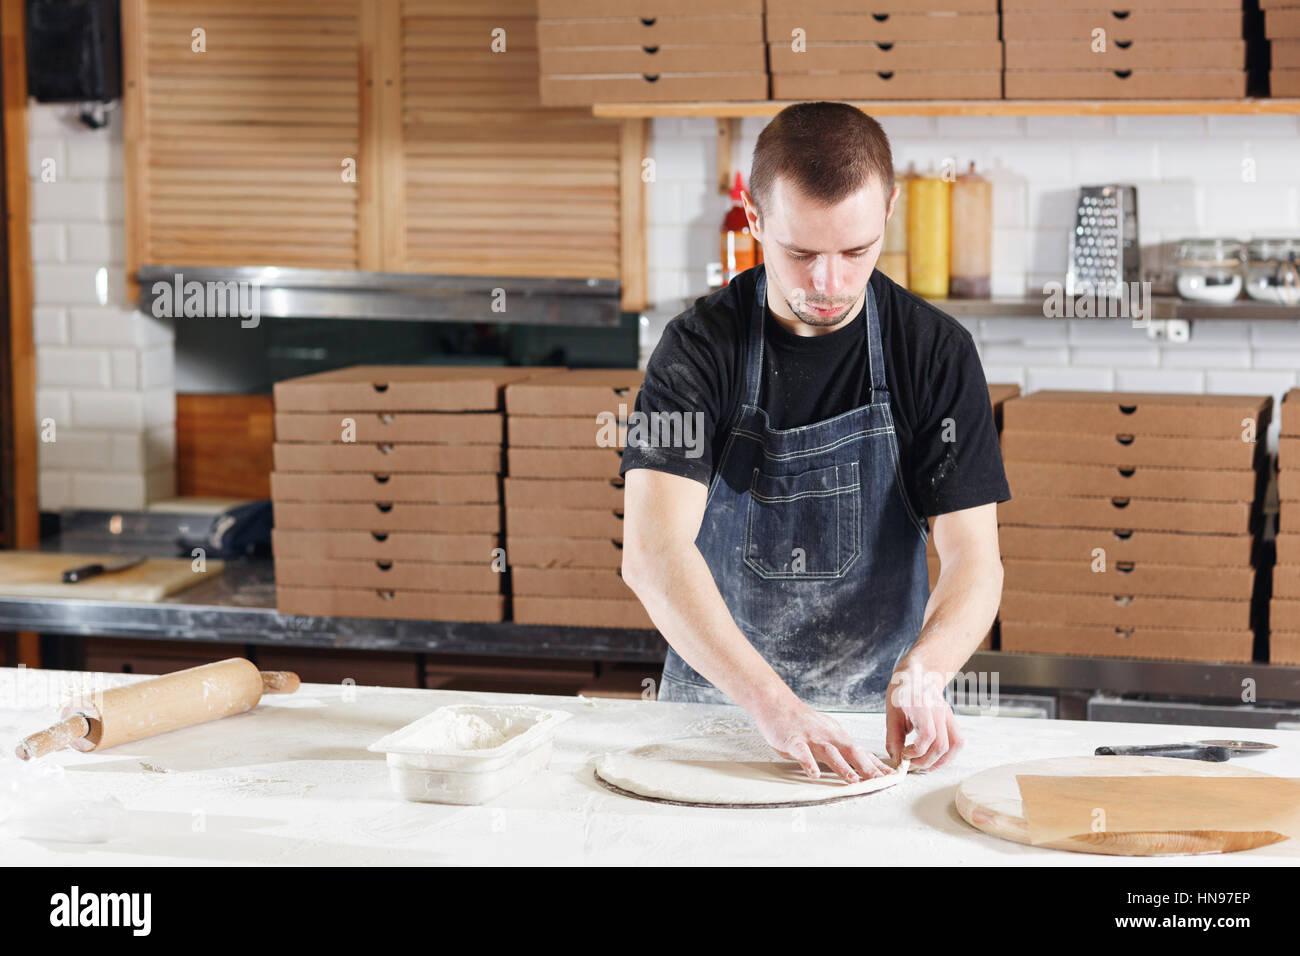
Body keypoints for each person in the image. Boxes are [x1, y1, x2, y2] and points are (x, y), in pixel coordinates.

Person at [619, 102, 1009, 783]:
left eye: (854, 252)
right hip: (718, 724)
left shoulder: (936, 353)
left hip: (873, 734)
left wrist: (925, 672)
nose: (827, 285)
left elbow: (975, 558)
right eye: (800, 254)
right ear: (754, 215)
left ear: (888, 210)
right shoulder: (693, 350)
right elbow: (652, 553)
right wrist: (773, 706)